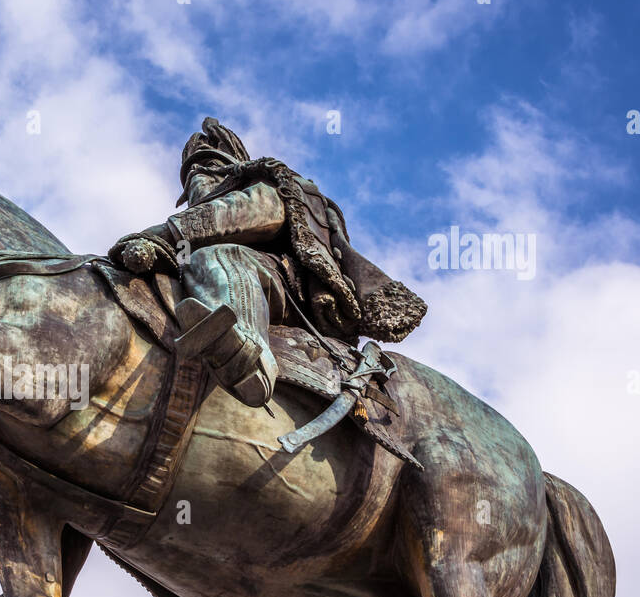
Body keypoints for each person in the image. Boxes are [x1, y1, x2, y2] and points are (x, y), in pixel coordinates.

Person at [108, 118, 426, 406]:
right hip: (253, 271)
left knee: (216, 259)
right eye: (190, 174)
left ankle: (250, 355)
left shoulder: (269, 184)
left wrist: (156, 235)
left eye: (202, 168)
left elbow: (244, 216)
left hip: (290, 283)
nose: (195, 179)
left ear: (228, 165)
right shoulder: (209, 209)